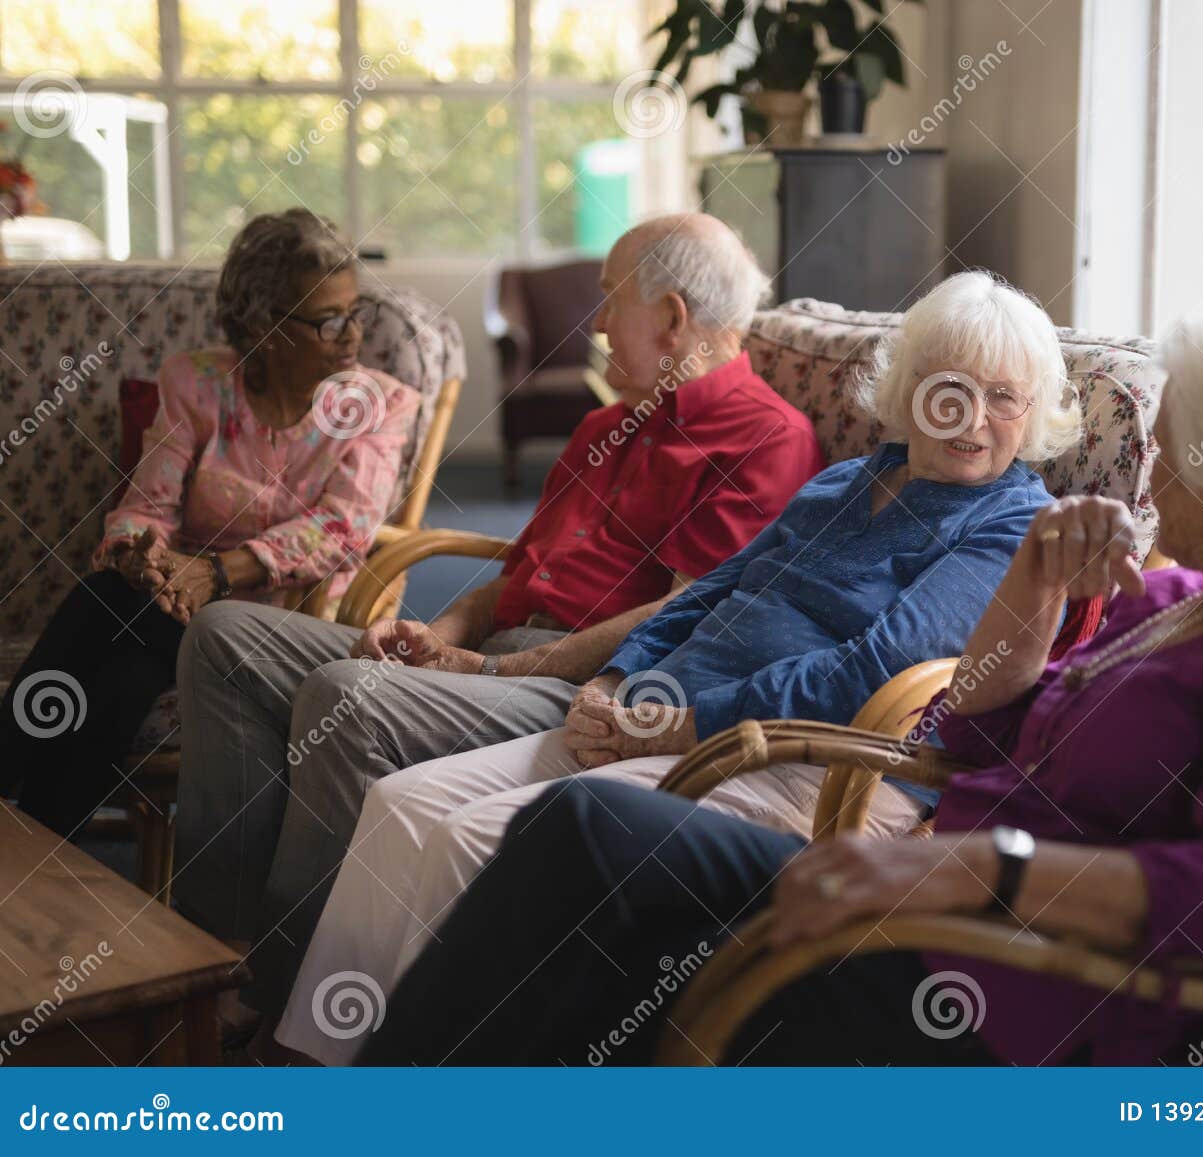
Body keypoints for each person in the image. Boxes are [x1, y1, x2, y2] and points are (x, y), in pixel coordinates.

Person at [357, 297, 1203, 1067]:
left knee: (595, 868)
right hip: (923, 886)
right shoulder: (1179, 596)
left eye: (1164, 452)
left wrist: (980, 869)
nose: (1148, 475)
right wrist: (1037, 575)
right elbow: (982, 727)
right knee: (580, 842)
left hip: (996, 977)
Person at [279, 269, 1080, 1064]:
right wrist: (615, 680)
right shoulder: (848, 481)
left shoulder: (1009, 523)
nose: (972, 418)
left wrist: (680, 718)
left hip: (799, 763)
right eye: (950, 388)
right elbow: (712, 588)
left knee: (476, 837)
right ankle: (316, 1061)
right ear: (910, 390)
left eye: (1004, 397)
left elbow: (870, 670)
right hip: (660, 722)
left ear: (1035, 410)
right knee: (403, 802)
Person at [173, 212, 823, 1035]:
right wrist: (439, 631)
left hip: (580, 687)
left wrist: (489, 670)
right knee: (228, 634)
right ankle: (214, 948)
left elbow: (681, 617)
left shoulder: (766, 438)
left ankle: (278, 994)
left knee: (352, 694)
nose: (593, 325)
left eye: (610, 301)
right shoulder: (603, 424)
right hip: (493, 657)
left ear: (671, 318)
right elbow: (514, 575)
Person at [0, 208, 417, 840]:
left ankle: (19, 826)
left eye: (356, 313)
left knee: (106, 614)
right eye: (328, 320)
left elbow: (341, 529)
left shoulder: (377, 405)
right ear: (267, 327)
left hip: (284, 625)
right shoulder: (197, 383)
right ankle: (39, 853)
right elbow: (148, 503)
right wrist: (138, 555)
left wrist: (214, 574)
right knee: (121, 661)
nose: (352, 335)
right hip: (165, 606)